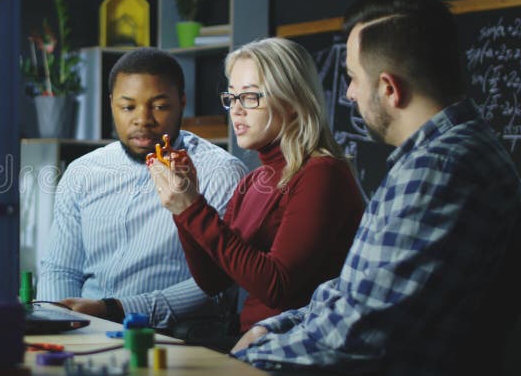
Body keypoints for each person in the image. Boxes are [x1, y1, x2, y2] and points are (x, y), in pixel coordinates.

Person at [231, 0, 521, 374]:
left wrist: (242, 360)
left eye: (353, 78)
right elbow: (354, 292)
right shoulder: (439, 155)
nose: (349, 93)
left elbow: (361, 333)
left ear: (389, 88)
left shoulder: (438, 169)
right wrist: (274, 327)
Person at [149, 37, 364, 336]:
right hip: (250, 339)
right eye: (232, 98)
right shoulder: (253, 182)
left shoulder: (321, 174)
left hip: (297, 347)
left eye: (250, 97)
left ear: (291, 102)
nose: (236, 110)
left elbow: (277, 287)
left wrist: (192, 208)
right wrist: (184, 204)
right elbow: (213, 281)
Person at [37, 47, 247, 327]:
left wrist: (114, 310)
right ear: (111, 104)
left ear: (182, 102)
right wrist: (60, 326)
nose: (142, 120)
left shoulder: (220, 173)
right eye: (128, 107)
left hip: (174, 342)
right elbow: (61, 269)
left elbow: (218, 287)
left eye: (159, 106)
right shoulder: (81, 172)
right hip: (83, 336)